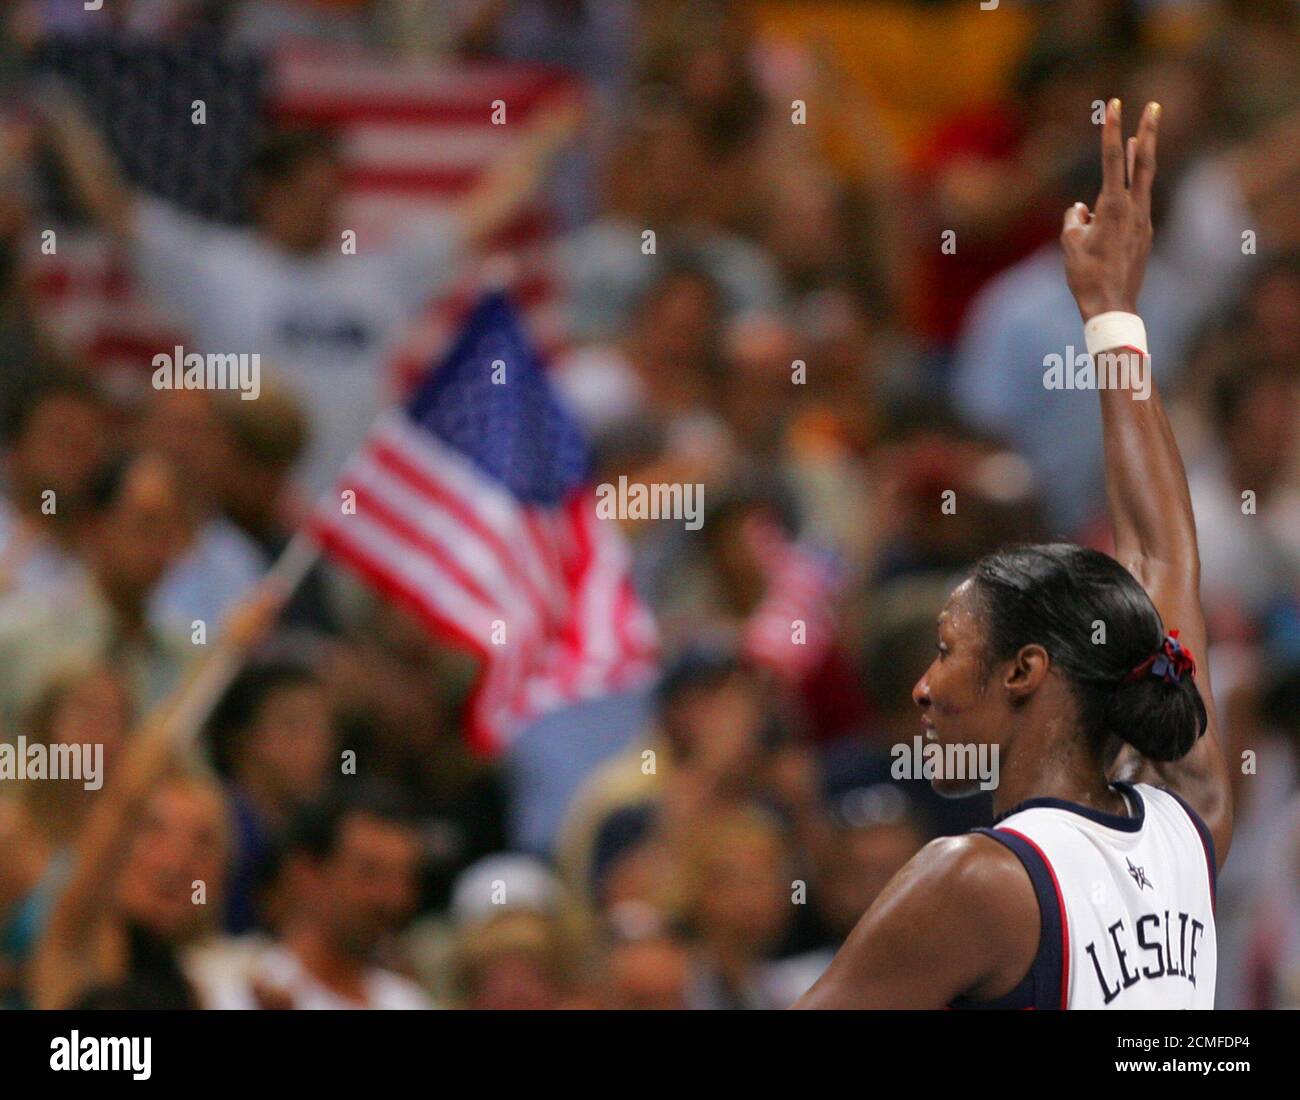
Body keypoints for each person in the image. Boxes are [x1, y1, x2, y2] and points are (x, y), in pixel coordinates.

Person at [797, 100, 1231, 1009]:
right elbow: (1162, 558)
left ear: (1027, 669)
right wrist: (1112, 316)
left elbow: (1160, 562)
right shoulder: (1190, 819)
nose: (921, 684)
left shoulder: (974, 879)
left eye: (950, 649)